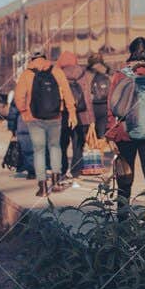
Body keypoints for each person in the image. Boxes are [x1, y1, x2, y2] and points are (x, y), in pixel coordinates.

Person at [108, 37, 145, 205]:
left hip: (125, 133)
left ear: (131, 51)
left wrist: (111, 134)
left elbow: (112, 107)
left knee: (124, 180)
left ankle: (122, 222)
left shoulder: (121, 75)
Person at [13, 49, 79, 198]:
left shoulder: (26, 74)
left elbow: (19, 97)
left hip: (34, 118)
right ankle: (56, 182)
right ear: (45, 57)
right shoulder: (56, 71)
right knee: (55, 147)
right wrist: (72, 112)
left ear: (31, 59)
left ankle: (42, 187)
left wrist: (24, 112)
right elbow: (67, 92)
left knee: (39, 151)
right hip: (55, 116)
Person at [57, 50, 93, 188]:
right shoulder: (81, 73)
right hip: (81, 115)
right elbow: (87, 97)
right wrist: (91, 119)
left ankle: (62, 170)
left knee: (62, 145)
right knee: (78, 144)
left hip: (62, 115)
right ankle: (76, 171)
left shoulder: (57, 73)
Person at [87, 55, 112, 148]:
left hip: (92, 107)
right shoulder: (108, 73)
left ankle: (96, 155)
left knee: (93, 136)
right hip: (105, 106)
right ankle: (100, 155)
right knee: (102, 135)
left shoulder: (88, 75)